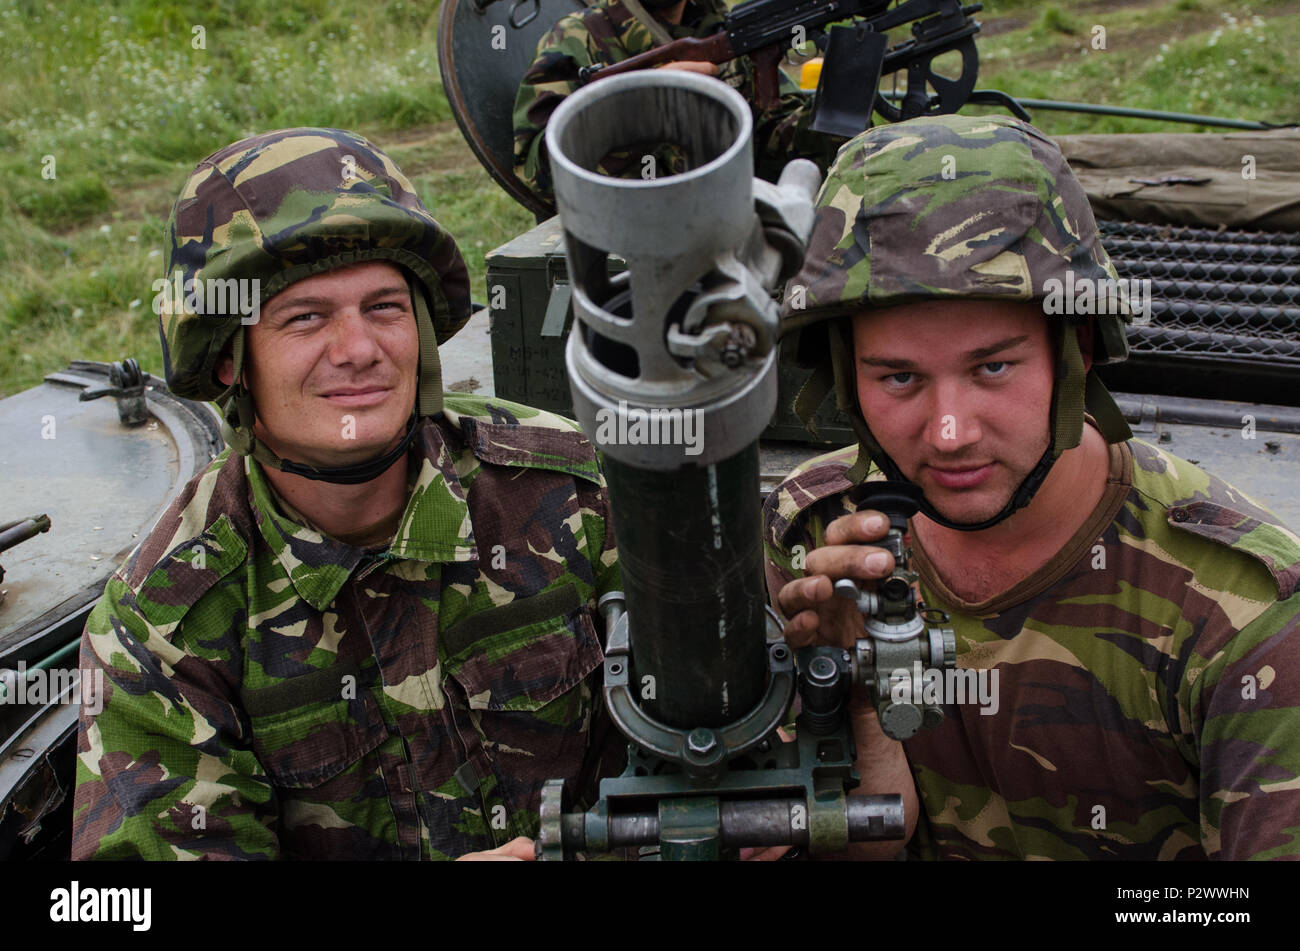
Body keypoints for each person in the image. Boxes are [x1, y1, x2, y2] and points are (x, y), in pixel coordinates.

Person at [71, 128, 623, 861]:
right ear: (231, 360)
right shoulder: (163, 625)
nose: (359, 348)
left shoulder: (566, 487)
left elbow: (708, 736)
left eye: (385, 308)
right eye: (306, 317)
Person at [763, 113, 1300, 860]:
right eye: (898, 376)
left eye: (993, 367)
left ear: (1074, 349)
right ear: (844, 372)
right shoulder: (810, 533)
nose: (949, 432)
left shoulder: (1243, 614)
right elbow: (853, 839)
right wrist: (850, 702)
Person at [512, 0, 832, 205]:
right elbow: (539, 174)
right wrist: (642, 106)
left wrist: (838, 103)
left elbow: (769, 139)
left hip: (733, 232)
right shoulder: (577, 39)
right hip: (626, 247)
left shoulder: (718, 28)